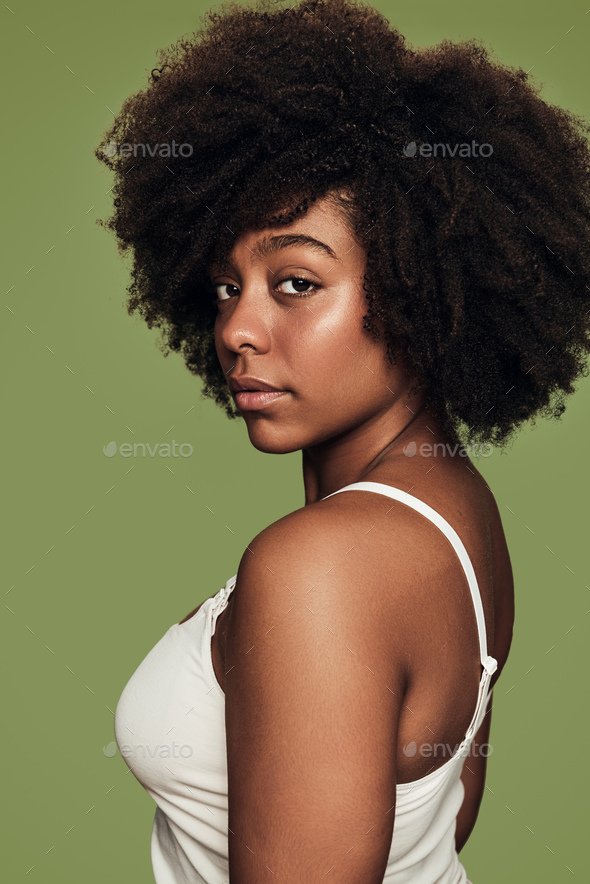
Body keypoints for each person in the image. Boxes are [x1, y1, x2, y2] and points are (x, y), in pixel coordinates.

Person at [94, 0, 590, 880]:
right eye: (223, 288)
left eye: (294, 281)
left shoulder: (323, 565)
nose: (238, 330)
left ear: (423, 285)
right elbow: (433, 826)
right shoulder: (452, 510)